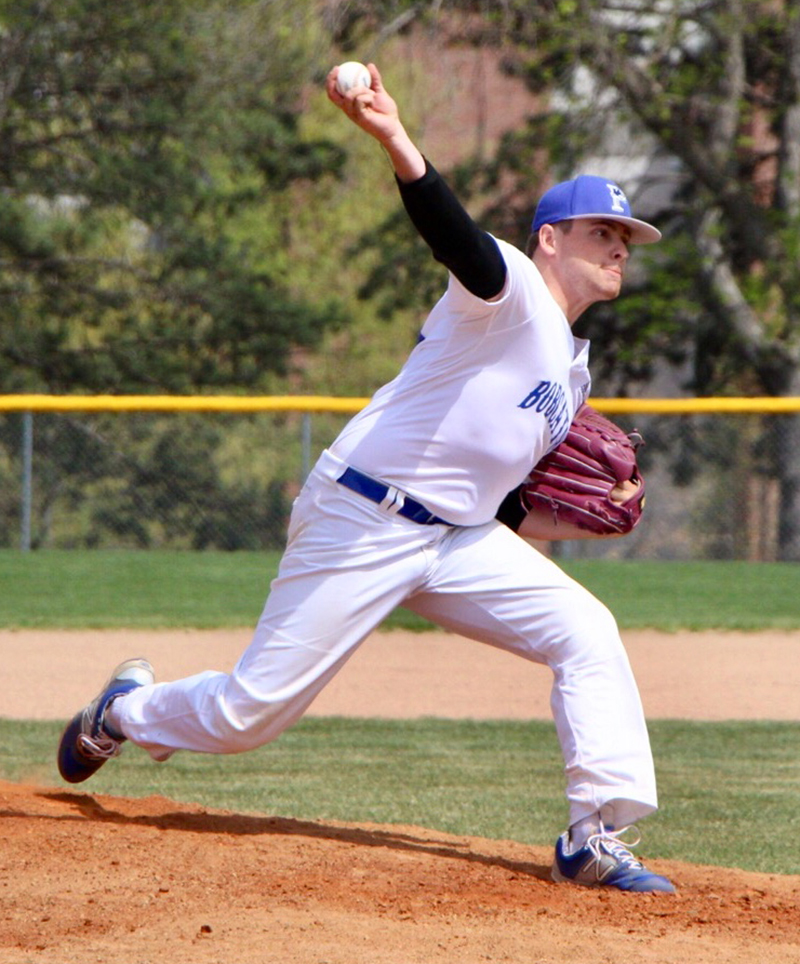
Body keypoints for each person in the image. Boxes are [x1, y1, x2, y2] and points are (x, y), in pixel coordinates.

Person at [57, 62, 675, 894]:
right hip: (363, 515)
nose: (618, 248)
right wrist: (394, 137)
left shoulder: (572, 373)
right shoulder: (511, 289)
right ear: (551, 239)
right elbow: (452, 233)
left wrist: (573, 522)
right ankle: (124, 710)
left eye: (625, 239)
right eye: (601, 231)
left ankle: (593, 836)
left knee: (586, 630)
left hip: (457, 539)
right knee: (249, 716)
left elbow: (511, 503)